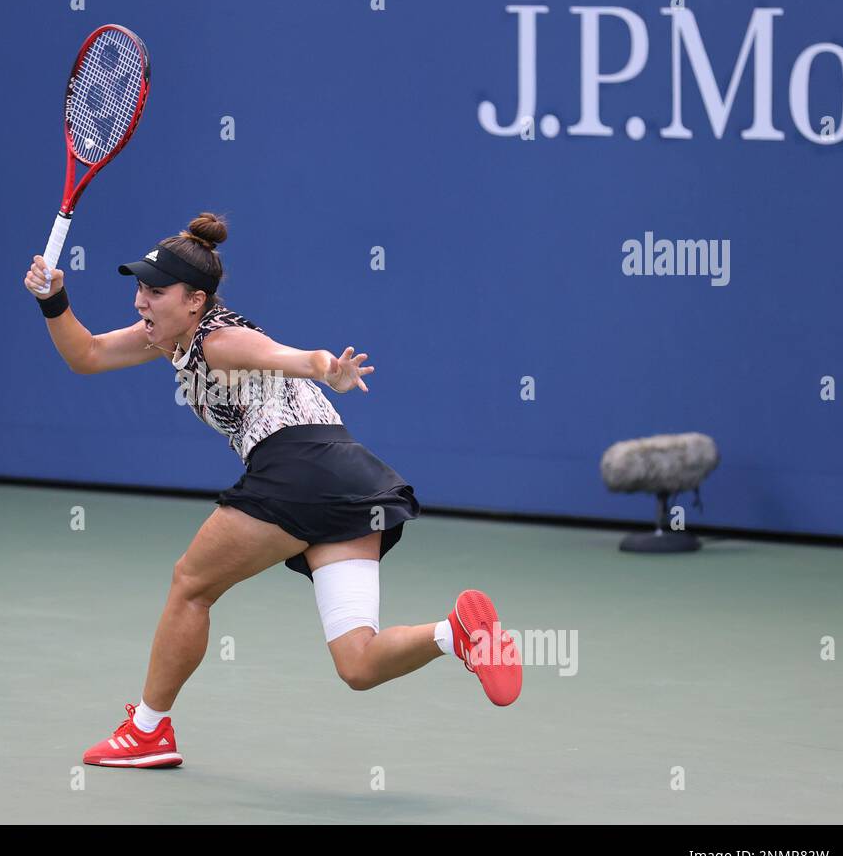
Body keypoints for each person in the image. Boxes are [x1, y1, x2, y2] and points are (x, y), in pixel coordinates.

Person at [25, 213, 522, 769]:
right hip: (347, 480)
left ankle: (148, 731)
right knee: (357, 664)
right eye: (140, 286)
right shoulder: (168, 338)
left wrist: (324, 367)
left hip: (297, 469)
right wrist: (54, 300)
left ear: (195, 300)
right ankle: (456, 634)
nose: (141, 300)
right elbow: (86, 355)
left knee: (191, 584)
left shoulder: (222, 339)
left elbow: (284, 355)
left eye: (156, 290)